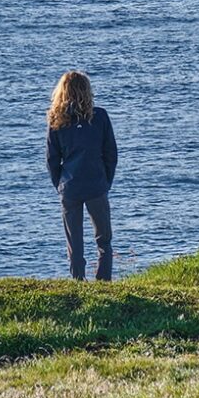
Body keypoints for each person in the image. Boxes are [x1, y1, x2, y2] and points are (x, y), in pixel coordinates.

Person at [46, 70, 118, 281]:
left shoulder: (56, 120)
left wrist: (60, 184)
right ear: (87, 91)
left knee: (74, 242)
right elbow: (110, 154)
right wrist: (106, 181)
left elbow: (52, 159)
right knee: (103, 239)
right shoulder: (100, 117)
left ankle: (78, 281)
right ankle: (103, 281)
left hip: (70, 186)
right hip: (96, 184)